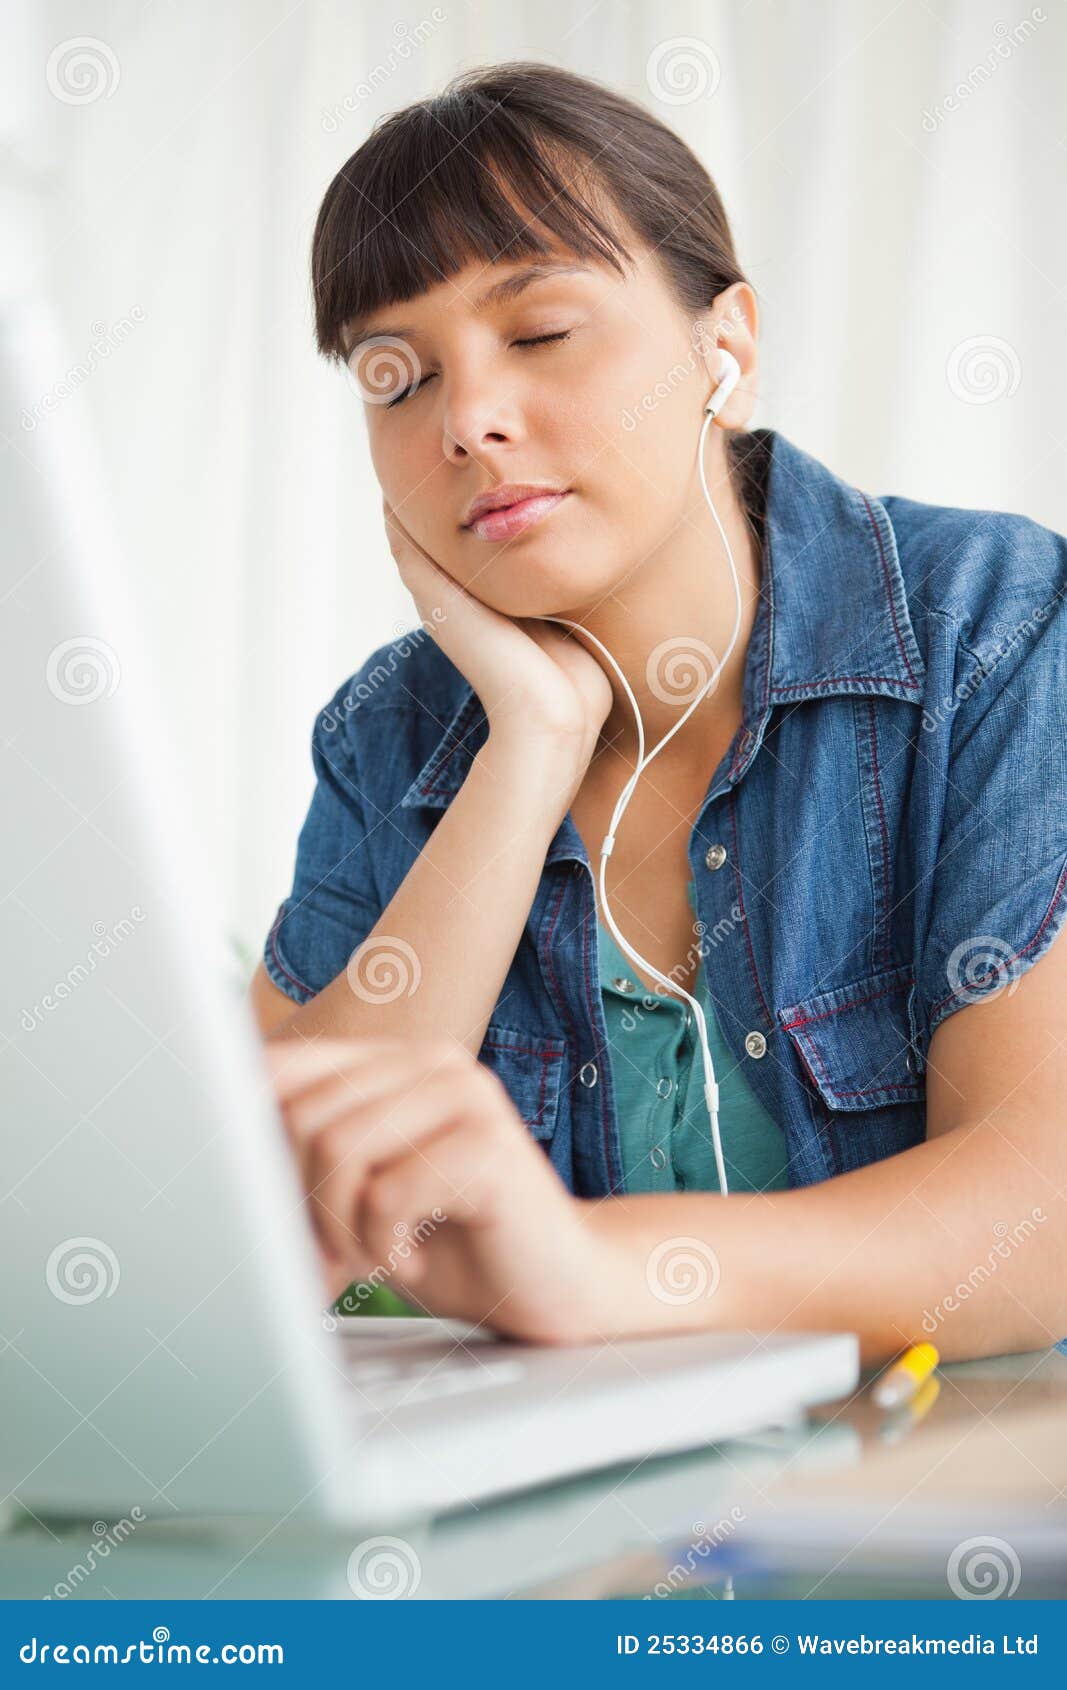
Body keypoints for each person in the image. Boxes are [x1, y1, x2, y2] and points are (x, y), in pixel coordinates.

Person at [248, 61, 1067, 1362]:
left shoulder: (992, 622)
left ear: (722, 351)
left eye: (540, 332)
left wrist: (591, 1270)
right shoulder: (388, 739)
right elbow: (257, 1243)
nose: (468, 419)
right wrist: (529, 747)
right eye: (396, 376)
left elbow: (1043, 1208)